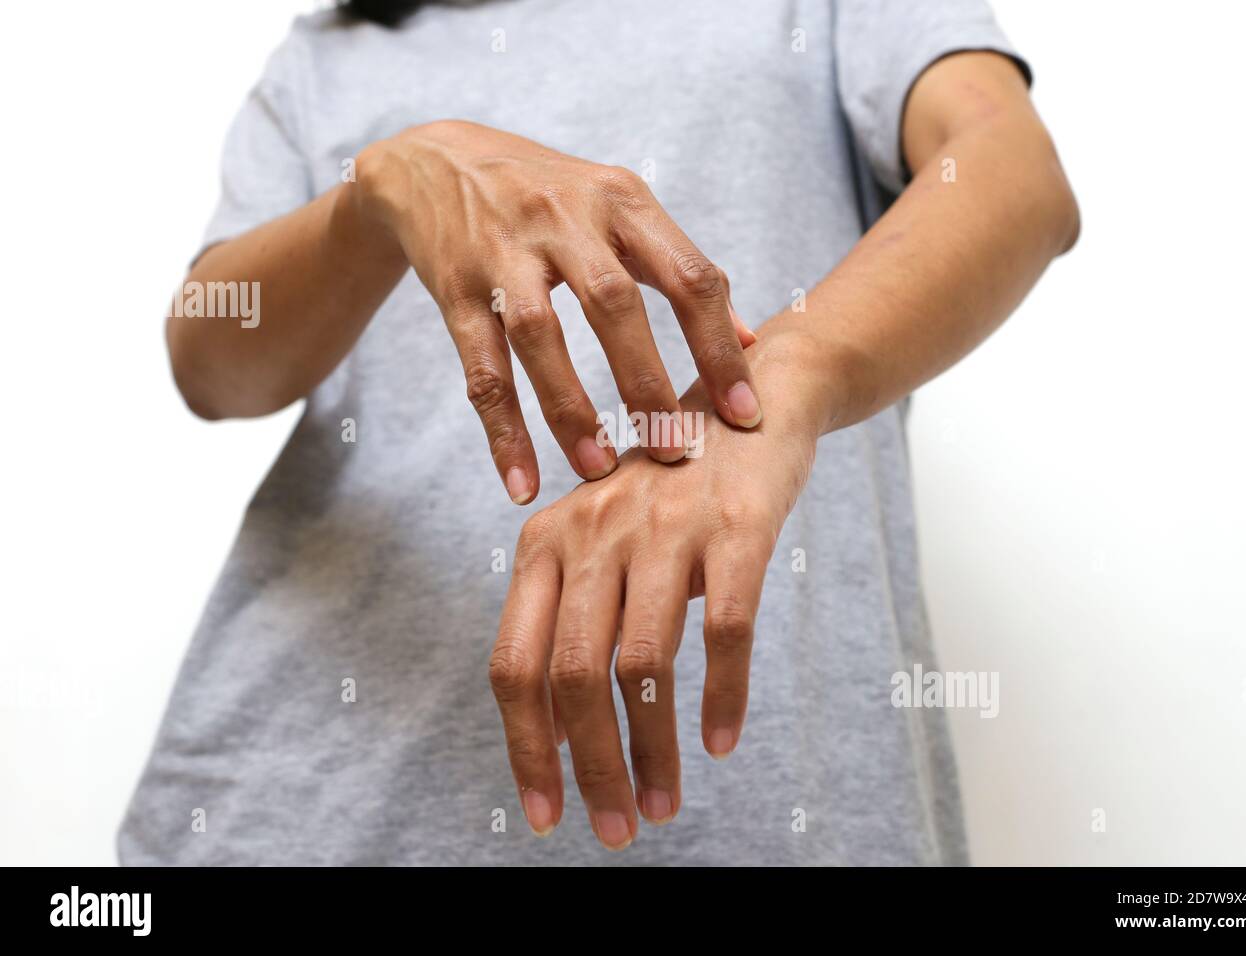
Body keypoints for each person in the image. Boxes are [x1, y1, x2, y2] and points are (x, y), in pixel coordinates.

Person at [121, 0, 1078, 864]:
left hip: (774, 820)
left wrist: (775, 386)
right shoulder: (328, 53)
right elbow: (209, 361)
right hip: (302, 808)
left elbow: (1011, 167)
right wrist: (374, 198)